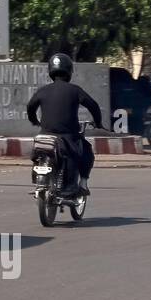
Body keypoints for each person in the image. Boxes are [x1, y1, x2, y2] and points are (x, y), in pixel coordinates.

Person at [26, 53, 105, 194]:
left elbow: (30, 106)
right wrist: (98, 122)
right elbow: (93, 105)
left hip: (45, 135)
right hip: (67, 137)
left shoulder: (43, 90)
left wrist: (34, 121)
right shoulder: (75, 90)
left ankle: (40, 183)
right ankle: (80, 184)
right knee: (86, 150)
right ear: (69, 70)